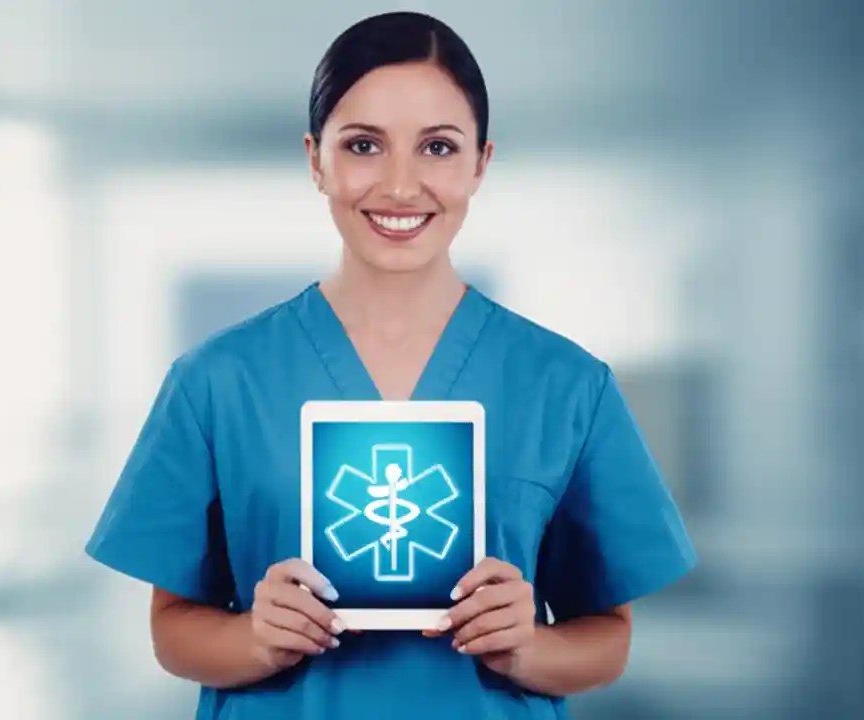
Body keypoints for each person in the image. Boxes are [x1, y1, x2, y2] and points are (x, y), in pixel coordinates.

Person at [85, 10, 697, 719]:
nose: (401, 186)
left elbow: (608, 638)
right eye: (364, 144)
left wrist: (525, 646)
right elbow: (173, 629)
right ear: (317, 160)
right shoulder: (218, 381)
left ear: (481, 163)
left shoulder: (566, 386)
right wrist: (255, 637)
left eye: (437, 147)